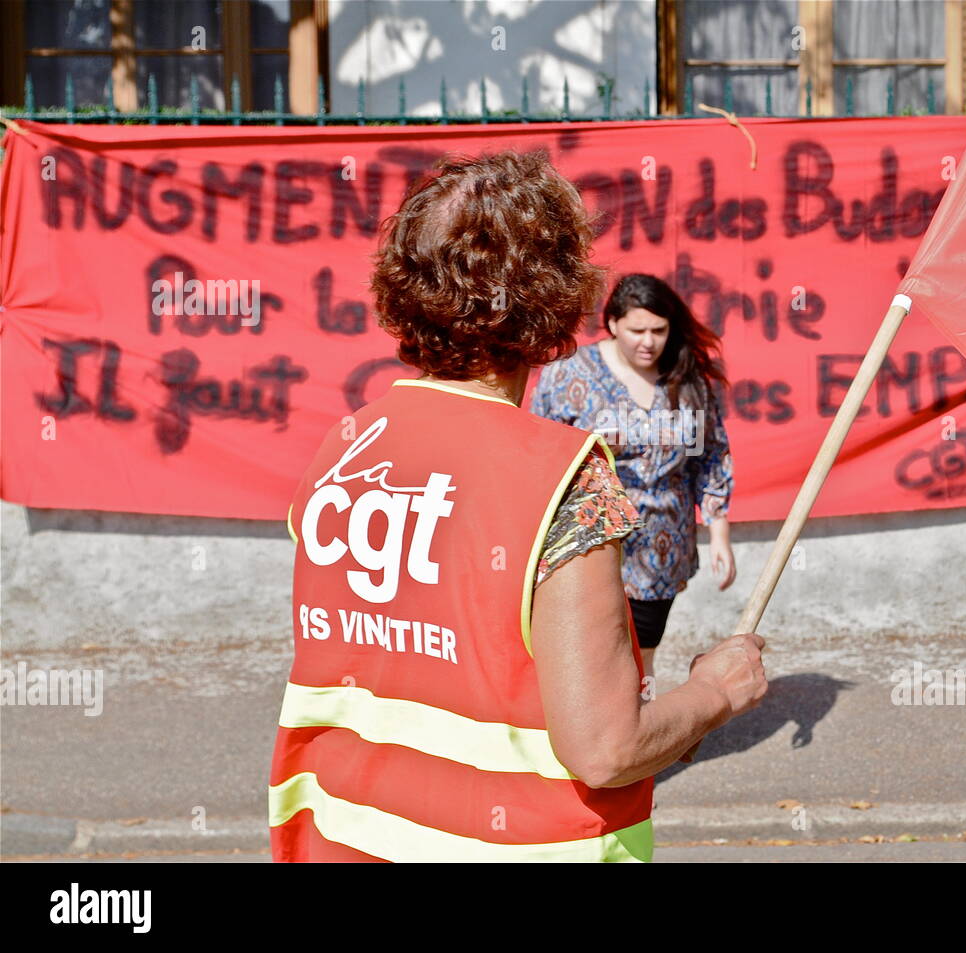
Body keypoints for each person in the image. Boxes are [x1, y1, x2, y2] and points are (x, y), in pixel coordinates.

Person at [266, 149, 767, 863]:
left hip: (340, 838)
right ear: (552, 291)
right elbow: (606, 748)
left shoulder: (344, 446)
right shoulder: (562, 478)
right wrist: (715, 691)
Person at [530, 274, 736, 680]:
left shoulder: (687, 381)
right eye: (637, 330)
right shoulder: (569, 374)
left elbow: (709, 457)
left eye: (659, 330)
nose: (648, 341)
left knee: (643, 652)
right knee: (591, 648)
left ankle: (643, 728)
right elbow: (538, 451)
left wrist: (719, 533)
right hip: (589, 539)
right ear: (613, 326)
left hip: (662, 545)